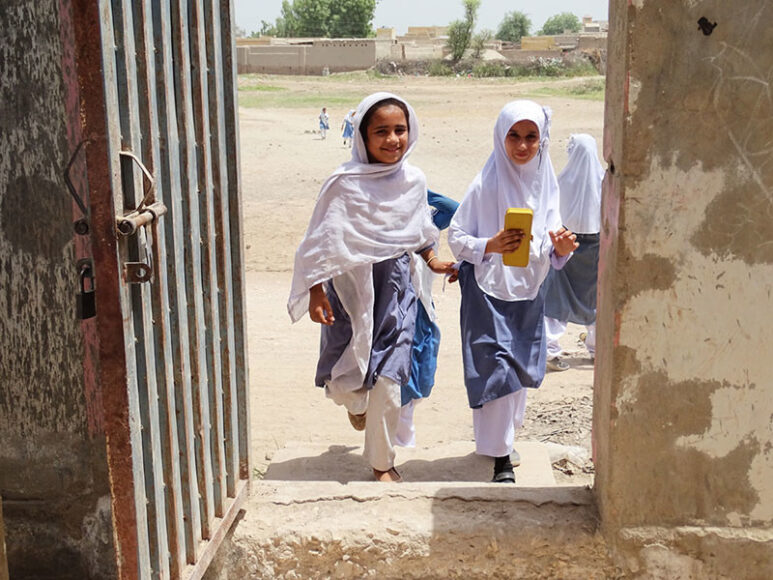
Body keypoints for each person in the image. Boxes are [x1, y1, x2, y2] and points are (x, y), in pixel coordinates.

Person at [288, 92, 455, 483]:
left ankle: (382, 463)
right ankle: (354, 405)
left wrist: (433, 260)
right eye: (382, 131)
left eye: (400, 130)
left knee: (391, 377)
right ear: (363, 136)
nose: (393, 139)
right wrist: (315, 291)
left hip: (397, 289)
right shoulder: (343, 183)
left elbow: (418, 230)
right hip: (351, 289)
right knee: (347, 379)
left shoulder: (413, 180)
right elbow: (320, 240)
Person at [447, 100, 578, 484]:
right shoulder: (484, 184)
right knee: (496, 369)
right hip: (487, 291)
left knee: (518, 371)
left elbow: (551, 246)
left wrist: (562, 248)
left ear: (542, 140)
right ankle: (501, 456)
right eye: (514, 137)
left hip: (528, 292)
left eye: (531, 137)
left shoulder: (547, 185)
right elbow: (456, 237)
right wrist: (492, 244)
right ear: (501, 137)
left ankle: (498, 442)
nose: (522, 146)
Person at [395, 190, 459, 448]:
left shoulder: (424, 227)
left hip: (422, 307)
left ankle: (400, 437)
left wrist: (420, 190)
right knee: (402, 375)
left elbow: (454, 208)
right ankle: (401, 442)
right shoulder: (381, 226)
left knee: (421, 371)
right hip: (395, 309)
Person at [544, 134, 604, 369]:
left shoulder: (561, 182)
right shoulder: (603, 181)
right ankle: (597, 349)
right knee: (595, 297)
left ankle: (549, 350)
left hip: (565, 247)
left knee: (557, 297)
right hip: (596, 249)